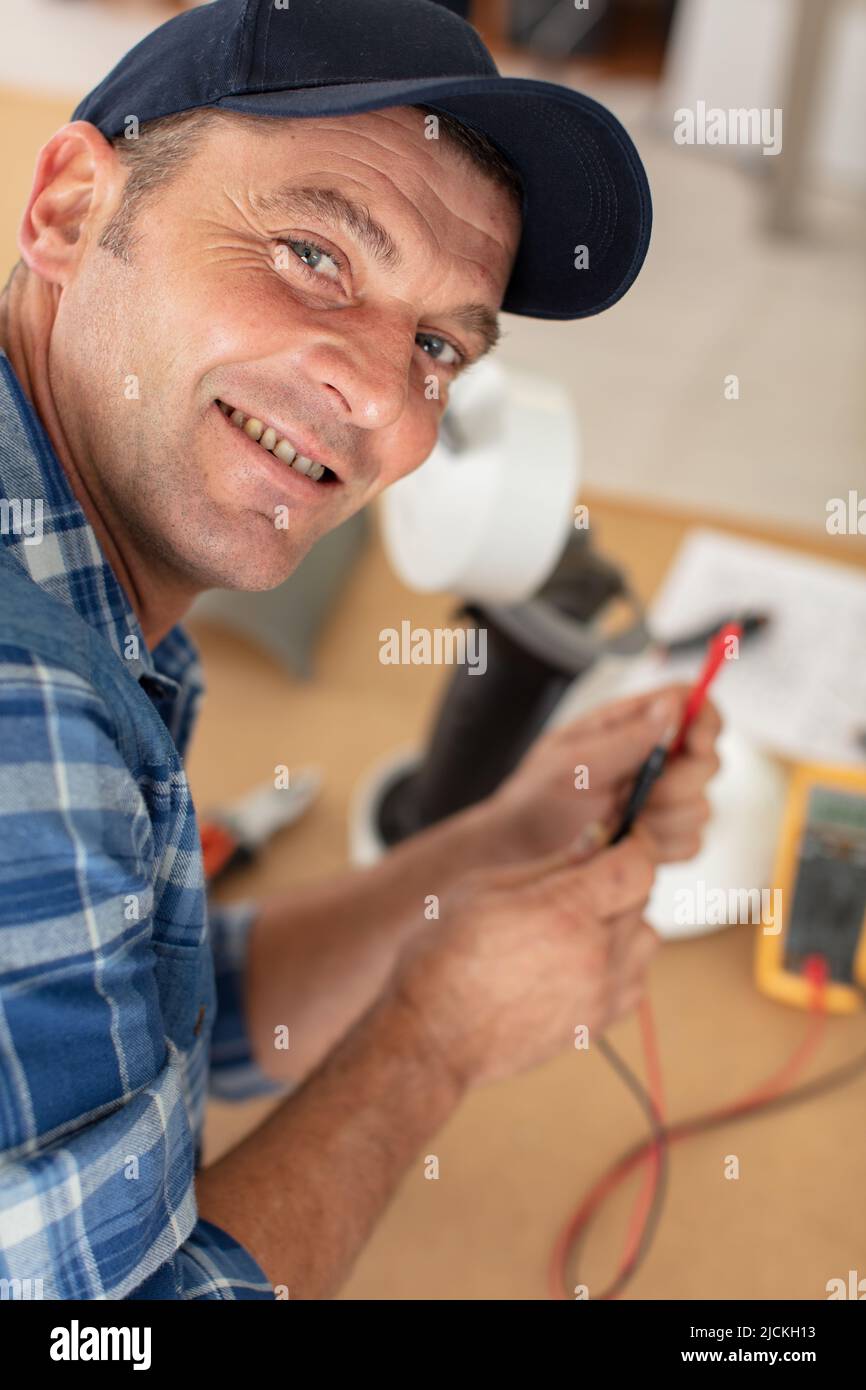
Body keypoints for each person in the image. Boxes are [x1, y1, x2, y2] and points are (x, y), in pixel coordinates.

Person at [0, 0, 720, 1299]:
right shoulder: (27, 700)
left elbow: (153, 1001)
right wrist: (438, 1036)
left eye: (438, 343)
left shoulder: (81, 589)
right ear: (67, 209)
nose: (387, 399)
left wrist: (504, 835)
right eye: (313, 253)